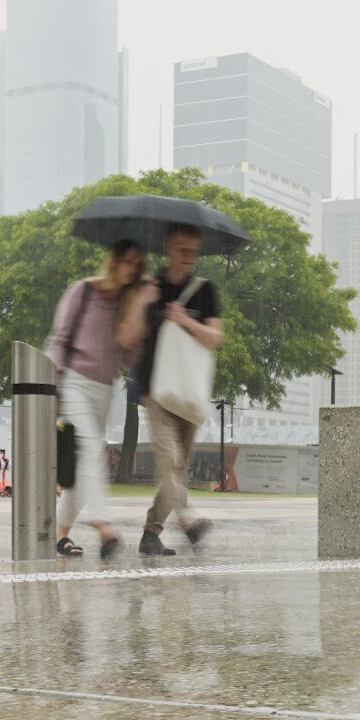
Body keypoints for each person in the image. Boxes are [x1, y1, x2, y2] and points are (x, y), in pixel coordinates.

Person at [118, 224, 224, 556]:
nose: (188, 257)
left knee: (176, 470)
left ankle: (151, 533)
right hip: (155, 390)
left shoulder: (206, 291)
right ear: (168, 247)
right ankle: (188, 521)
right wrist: (142, 302)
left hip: (189, 392)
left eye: (193, 251)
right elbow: (127, 337)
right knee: (171, 459)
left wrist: (183, 320)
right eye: (182, 249)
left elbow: (214, 339)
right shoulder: (152, 288)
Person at [49, 238, 146, 560]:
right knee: (92, 448)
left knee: (81, 466)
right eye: (128, 261)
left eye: (138, 264)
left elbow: (131, 355)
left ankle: (59, 535)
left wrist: (141, 316)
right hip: (74, 382)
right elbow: (60, 338)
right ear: (114, 260)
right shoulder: (84, 291)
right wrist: (56, 385)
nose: (133, 269)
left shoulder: (126, 305)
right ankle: (104, 527)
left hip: (104, 388)